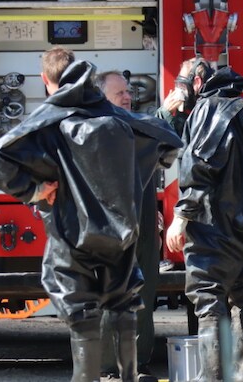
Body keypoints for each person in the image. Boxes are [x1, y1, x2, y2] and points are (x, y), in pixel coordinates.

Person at [0, 48, 180, 381]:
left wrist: (35, 190)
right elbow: (169, 141)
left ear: (46, 81)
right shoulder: (120, 120)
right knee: (123, 310)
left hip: (70, 236)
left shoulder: (50, 120)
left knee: (83, 318)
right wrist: (135, 178)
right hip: (119, 237)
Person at [164, 65, 243, 382]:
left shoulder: (207, 110)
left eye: (182, 84)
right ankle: (240, 376)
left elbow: (200, 168)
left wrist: (180, 218)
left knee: (208, 302)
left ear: (197, 82)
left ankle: (212, 378)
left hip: (211, 224)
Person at [93, 69, 157, 379]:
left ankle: (137, 363)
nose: (128, 97)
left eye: (129, 91)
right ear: (102, 97)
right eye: (120, 93)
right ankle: (107, 368)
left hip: (142, 219)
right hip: (110, 224)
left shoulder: (133, 126)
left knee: (143, 289)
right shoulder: (94, 130)